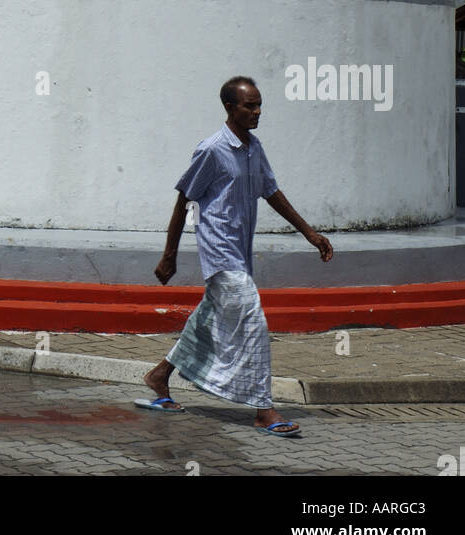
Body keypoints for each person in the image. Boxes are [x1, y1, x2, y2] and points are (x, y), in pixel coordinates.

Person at [136, 75, 333, 436]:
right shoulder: (212, 149)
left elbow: (270, 191)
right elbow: (185, 202)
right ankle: (264, 409)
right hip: (220, 254)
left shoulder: (254, 148)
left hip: (240, 254)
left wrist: (309, 232)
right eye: (250, 105)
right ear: (230, 107)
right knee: (253, 323)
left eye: (259, 105)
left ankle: (159, 375)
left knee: (207, 322)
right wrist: (170, 255)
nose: (258, 112)